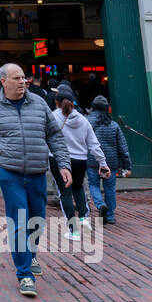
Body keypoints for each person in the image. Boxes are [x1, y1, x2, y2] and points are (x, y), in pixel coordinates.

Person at [0, 62, 71, 299]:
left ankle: (31, 253)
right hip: (10, 172)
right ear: (3, 81)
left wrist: (63, 164)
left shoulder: (39, 103)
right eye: (17, 78)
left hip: (38, 170)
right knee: (18, 220)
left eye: (24, 78)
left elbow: (55, 137)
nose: (23, 82)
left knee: (37, 219)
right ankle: (24, 275)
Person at [49, 87, 109, 240]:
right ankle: (83, 217)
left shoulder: (52, 117)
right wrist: (102, 162)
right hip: (80, 160)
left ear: (56, 102)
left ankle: (73, 230)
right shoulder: (83, 119)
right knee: (78, 188)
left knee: (65, 192)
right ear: (73, 103)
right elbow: (93, 144)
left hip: (58, 159)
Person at [86, 96, 133, 225]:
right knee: (110, 188)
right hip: (111, 162)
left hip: (92, 160)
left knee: (93, 185)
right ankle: (110, 216)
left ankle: (100, 205)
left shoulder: (86, 122)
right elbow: (123, 147)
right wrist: (127, 165)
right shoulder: (113, 125)